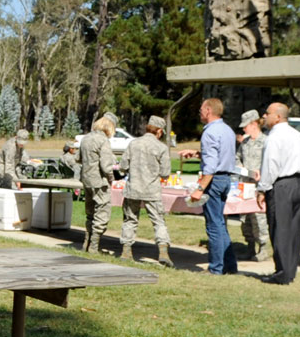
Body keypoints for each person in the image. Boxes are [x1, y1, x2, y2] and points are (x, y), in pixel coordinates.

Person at [257, 103, 300, 285]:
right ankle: (290, 269)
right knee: (294, 229)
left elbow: (271, 166)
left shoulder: (274, 137)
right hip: (299, 182)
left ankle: (282, 271)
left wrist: (263, 188)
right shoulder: (297, 135)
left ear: (278, 117)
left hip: (282, 184)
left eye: (268, 113)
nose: (264, 116)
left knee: (280, 227)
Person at [186, 98, 238, 275]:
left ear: (208, 110)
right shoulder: (227, 130)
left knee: (213, 226)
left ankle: (216, 268)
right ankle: (230, 265)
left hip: (213, 181)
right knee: (220, 224)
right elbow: (219, 155)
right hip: (225, 180)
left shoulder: (209, 133)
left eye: (201, 109)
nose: (199, 112)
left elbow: (211, 166)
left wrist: (199, 189)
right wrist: (198, 153)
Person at [118, 116, 174, 265]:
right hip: (152, 190)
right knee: (158, 221)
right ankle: (163, 251)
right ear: (160, 131)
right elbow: (165, 173)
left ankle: (126, 250)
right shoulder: (161, 148)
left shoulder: (133, 144)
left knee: (130, 220)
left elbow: (123, 166)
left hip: (133, 189)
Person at [236, 109, 271, 262]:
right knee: (245, 217)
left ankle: (263, 247)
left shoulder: (266, 141)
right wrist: (243, 169)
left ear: (254, 124)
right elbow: (236, 158)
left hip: (260, 186)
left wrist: (260, 172)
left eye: (246, 126)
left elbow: (271, 163)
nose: (244, 129)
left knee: (259, 217)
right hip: (245, 184)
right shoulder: (244, 142)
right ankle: (249, 246)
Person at [79, 117, 117, 254]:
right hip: (100, 182)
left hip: (86, 180)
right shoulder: (103, 140)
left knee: (90, 213)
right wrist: (112, 178)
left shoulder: (86, 138)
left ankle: (86, 243)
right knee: (102, 213)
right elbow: (106, 166)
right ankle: (94, 247)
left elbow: (78, 158)